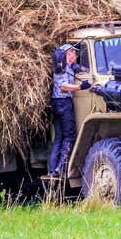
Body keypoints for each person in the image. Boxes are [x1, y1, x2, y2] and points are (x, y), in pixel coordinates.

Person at [48, 44, 90, 177]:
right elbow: (63, 87)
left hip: (57, 103)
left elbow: (77, 68)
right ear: (67, 54)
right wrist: (80, 86)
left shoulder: (67, 66)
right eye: (72, 53)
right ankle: (61, 168)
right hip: (63, 103)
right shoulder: (61, 68)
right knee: (69, 135)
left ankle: (52, 169)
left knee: (59, 137)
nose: (75, 56)